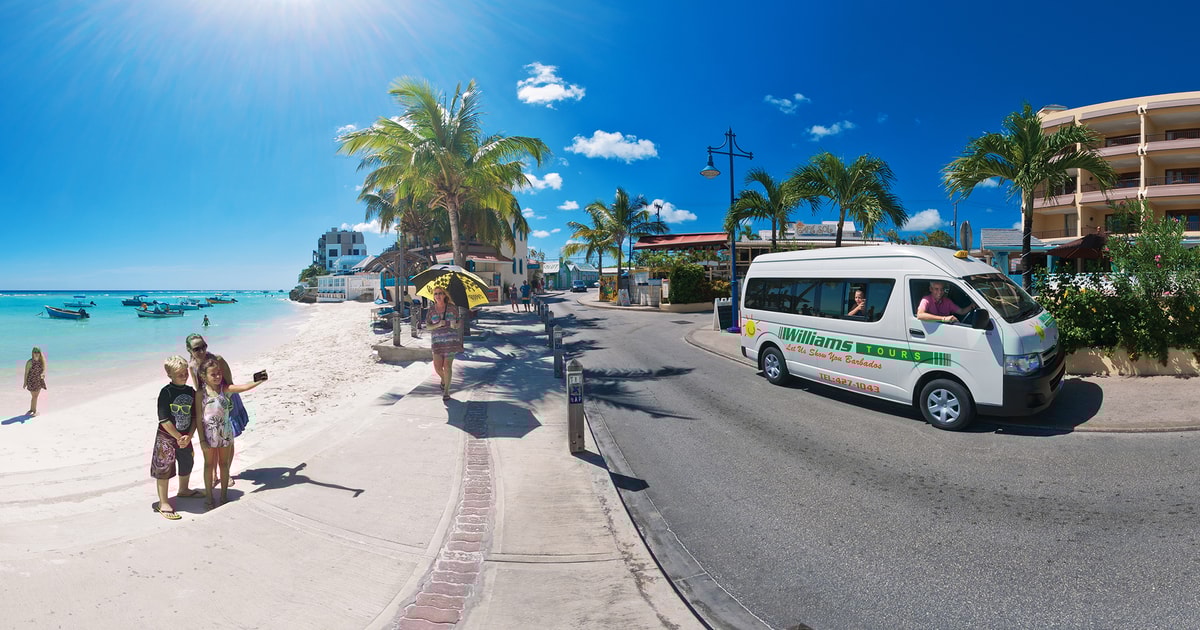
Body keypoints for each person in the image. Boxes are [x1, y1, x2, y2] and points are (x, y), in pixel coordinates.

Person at [196, 356, 266, 508]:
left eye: (219, 373)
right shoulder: (200, 394)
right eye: (213, 374)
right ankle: (209, 496)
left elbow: (243, 387)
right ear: (204, 376)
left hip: (226, 434)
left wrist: (258, 381)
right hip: (208, 436)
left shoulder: (225, 389)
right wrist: (201, 440)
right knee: (208, 465)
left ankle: (223, 495)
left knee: (224, 463)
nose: (217, 376)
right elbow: (198, 419)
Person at [150, 356, 202, 520]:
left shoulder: (190, 392)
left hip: (185, 436)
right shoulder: (166, 392)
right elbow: (164, 420)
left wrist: (190, 435)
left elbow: (194, 416)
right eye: (179, 374)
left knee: (187, 462)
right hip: (167, 437)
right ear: (170, 375)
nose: (184, 376)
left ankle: (183, 489)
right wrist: (179, 437)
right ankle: (163, 502)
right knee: (164, 468)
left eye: (185, 372)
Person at [185, 334, 236, 490]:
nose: (201, 351)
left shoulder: (217, 359)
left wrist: (227, 400)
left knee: (227, 439)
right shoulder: (192, 366)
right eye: (196, 348)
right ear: (189, 350)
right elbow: (198, 388)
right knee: (211, 440)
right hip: (209, 403)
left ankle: (226, 473)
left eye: (203, 346)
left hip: (226, 399)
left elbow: (230, 382)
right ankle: (213, 474)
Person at [426, 288, 463, 400]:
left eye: (440, 293)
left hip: (450, 342)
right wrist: (437, 325)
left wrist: (456, 325)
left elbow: (458, 322)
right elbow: (428, 326)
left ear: (444, 295)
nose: (438, 295)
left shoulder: (452, 308)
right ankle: (443, 379)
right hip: (437, 342)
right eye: (436, 293)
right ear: (433, 296)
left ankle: (446, 391)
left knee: (447, 366)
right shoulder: (431, 310)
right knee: (437, 367)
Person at [23, 347, 47, 416]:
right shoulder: (29, 362)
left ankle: (31, 409)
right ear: (32, 353)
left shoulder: (42, 360)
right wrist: (25, 382)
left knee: (34, 397)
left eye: (38, 352)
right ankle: (34, 411)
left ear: (40, 353)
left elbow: (44, 367)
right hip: (31, 381)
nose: (36, 354)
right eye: (35, 352)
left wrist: (43, 373)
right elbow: (26, 373)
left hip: (39, 381)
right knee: (34, 396)